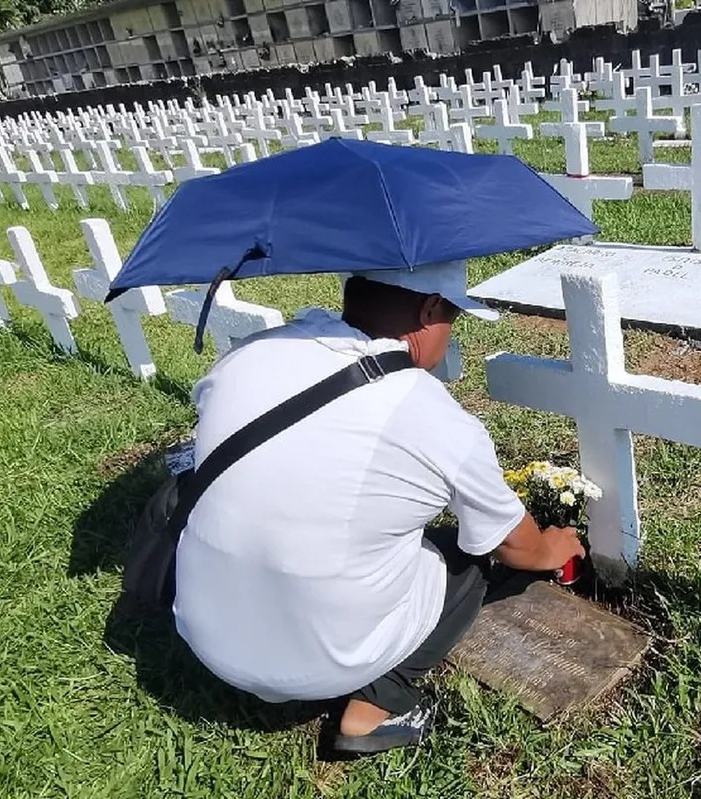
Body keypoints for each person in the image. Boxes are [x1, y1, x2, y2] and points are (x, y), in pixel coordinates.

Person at [172, 260, 585, 754]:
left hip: (202, 635)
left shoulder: (254, 353)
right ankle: (374, 710)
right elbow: (516, 547)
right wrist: (553, 545)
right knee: (467, 556)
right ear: (431, 308)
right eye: (451, 317)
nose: (449, 337)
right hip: (313, 665)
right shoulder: (432, 416)